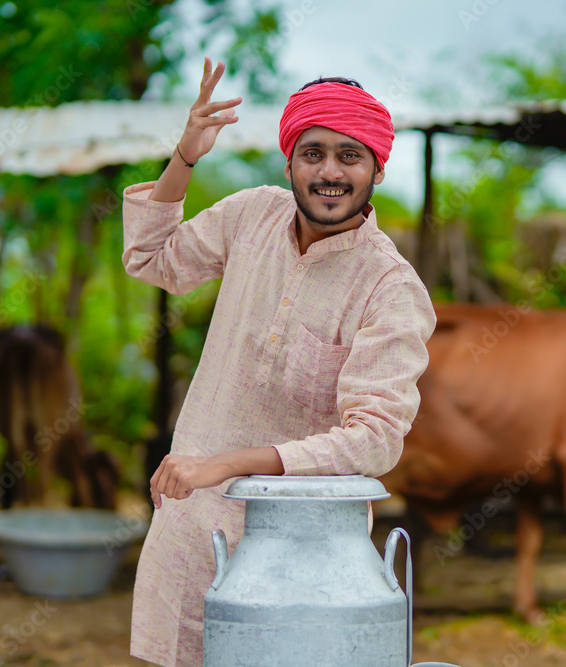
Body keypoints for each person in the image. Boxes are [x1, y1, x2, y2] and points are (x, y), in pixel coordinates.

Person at [121, 58, 435, 667]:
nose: (330, 171)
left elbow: (374, 440)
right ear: (289, 161)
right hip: (192, 526)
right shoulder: (251, 217)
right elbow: (150, 258)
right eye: (312, 152)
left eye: (351, 156)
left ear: (377, 168)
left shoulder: (390, 287)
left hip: (308, 553)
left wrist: (228, 465)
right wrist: (184, 157)